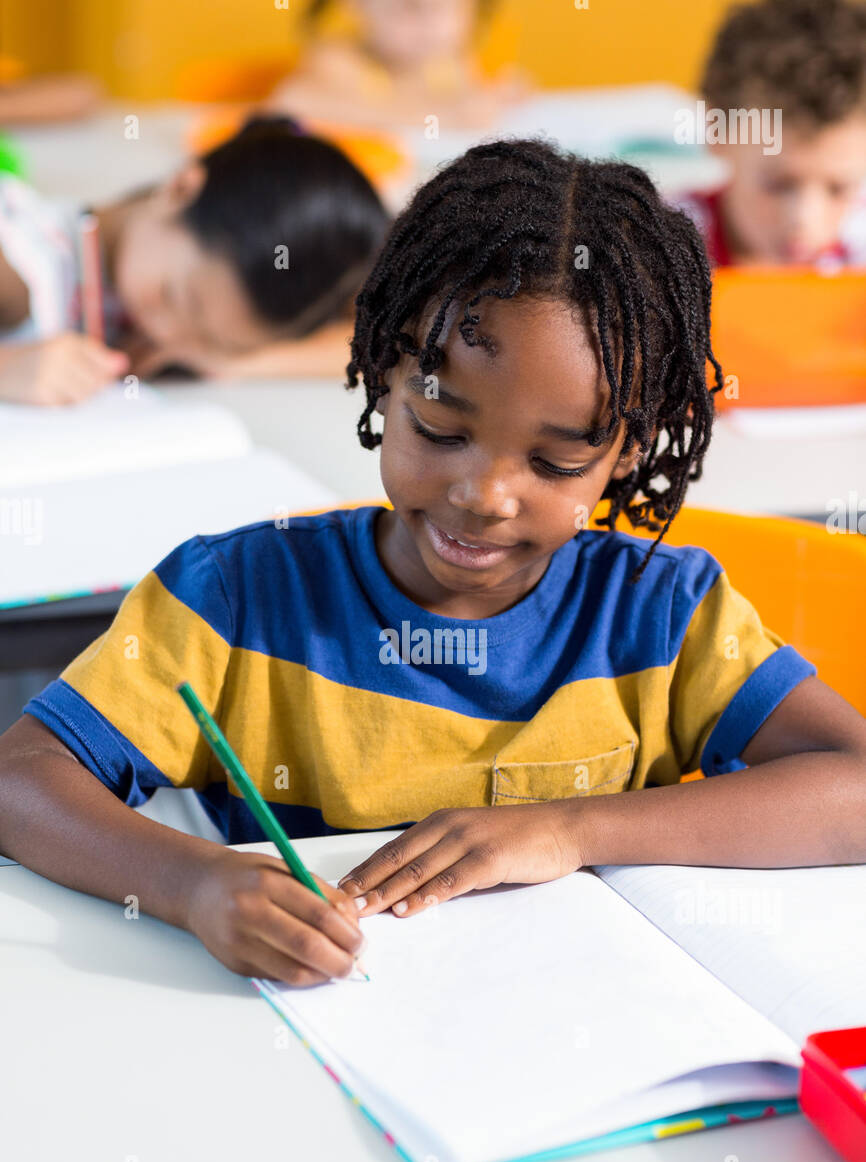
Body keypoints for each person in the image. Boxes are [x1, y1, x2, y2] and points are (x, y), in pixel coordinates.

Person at [1, 138, 865, 987]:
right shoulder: (236, 601)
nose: (485, 494)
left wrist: (571, 830)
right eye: (442, 432)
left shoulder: (663, 618)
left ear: (628, 453)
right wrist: (190, 886)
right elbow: (22, 776)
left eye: (556, 464)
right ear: (384, 378)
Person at [0, 116, 389, 404]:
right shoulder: (23, 261)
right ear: (179, 190)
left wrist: (227, 358)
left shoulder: (177, 316)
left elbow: (384, 344)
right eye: (175, 298)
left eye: (214, 339)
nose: (167, 336)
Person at [678, 0, 866, 266]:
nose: (804, 219)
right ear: (716, 129)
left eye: (838, 189)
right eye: (777, 184)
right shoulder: (654, 249)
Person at [266, 0, 527, 131]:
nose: (431, 27)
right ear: (356, 6)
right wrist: (441, 117)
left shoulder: (448, 63)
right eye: (408, 9)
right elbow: (289, 102)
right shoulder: (342, 60)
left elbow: (469, 111)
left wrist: (497, 96)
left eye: (447, 9)